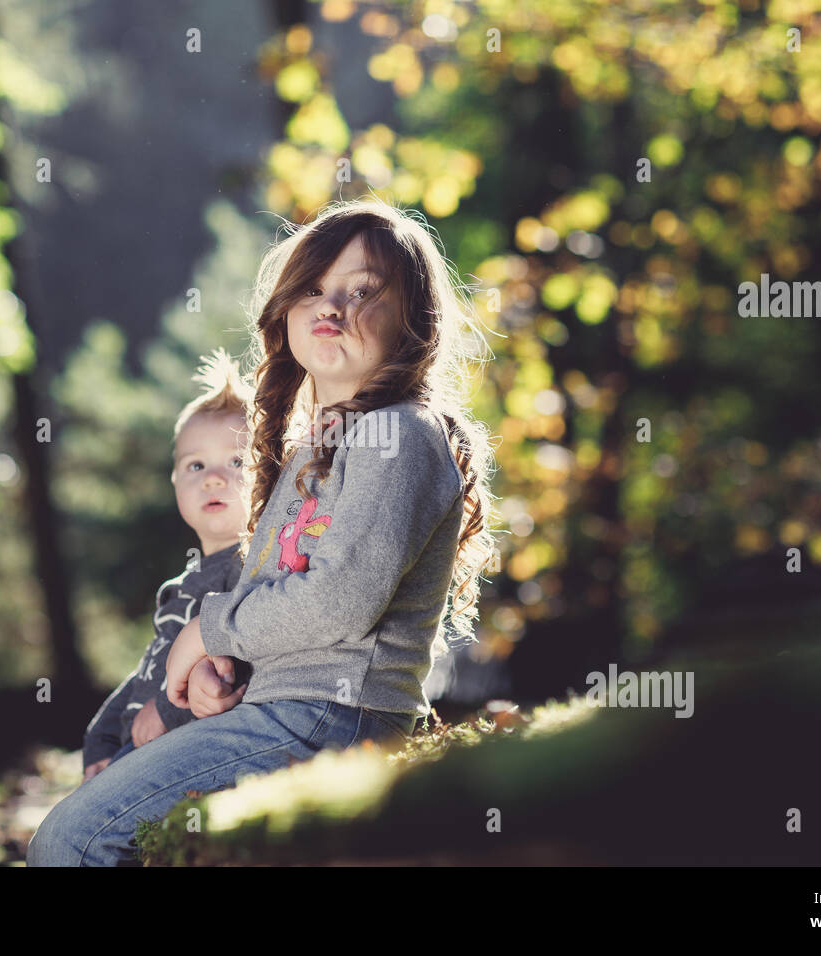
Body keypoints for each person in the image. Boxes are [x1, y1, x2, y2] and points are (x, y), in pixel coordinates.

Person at [27, 197, 497, 866]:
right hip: (284, 706)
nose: (332, 308)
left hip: (335, 714)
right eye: (314, 289)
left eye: (362, 292)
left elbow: (337, 603)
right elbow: (275, 592)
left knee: (71, 842)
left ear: (414, 322)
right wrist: (217, 674)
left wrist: (206, 632)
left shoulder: (400, 434)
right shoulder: (318, 446)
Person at [81, 349, 254, 781]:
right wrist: (98, 745)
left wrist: (166, 711)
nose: (213, 477)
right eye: (195, 465)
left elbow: (228, 674)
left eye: (236, 461)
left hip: (184, 754)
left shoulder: (250, 570)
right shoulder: (184, 584)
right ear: (175, 481)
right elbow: (148, 669)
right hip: (133, 753)